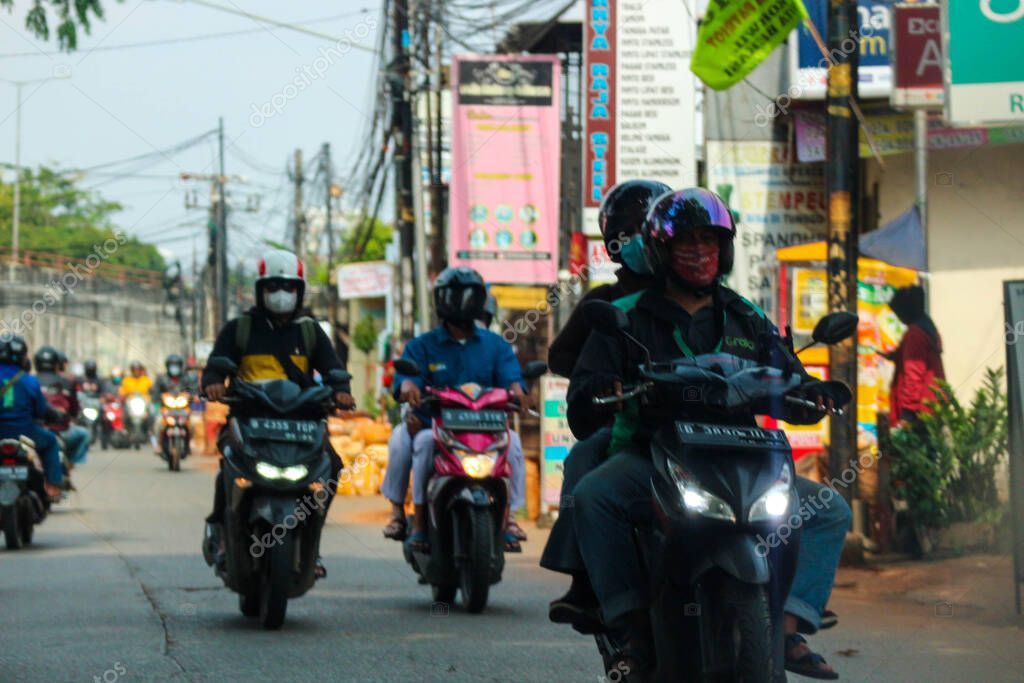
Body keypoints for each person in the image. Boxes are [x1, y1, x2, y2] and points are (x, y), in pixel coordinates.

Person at [567, 188, 846, 681]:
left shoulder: (748, 318)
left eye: (710, 240)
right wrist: (601, 389)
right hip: (655, 454)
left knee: (829, 510)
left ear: (725, 249)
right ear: (661, 250)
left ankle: (786, 627)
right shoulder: (627, 316)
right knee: (593, 497)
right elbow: (583, 402)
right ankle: (630, 627)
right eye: (686, 241)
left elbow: (791, 384)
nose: (699, 251)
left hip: (747, 461)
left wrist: (813, 394)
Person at [542, 179, 669, 623]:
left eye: (647, 229)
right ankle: (582, 578)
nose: (640, 240)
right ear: (614, 244)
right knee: (584, 459)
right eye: (628, 232)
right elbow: (560, 356)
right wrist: (600, 380)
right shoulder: (606, 301)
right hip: (628, 424)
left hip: (696, 425)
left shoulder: (712, 300)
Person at [201, 249, 353, 571]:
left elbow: (334, 370)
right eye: (272, 287)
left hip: (302, 425)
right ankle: (223, 535)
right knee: (228, 462)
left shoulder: (310, 332)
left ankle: (312, 543)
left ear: (299, 291)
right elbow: (215, 366)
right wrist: (213, 383)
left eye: (288, 287)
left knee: (332, 466)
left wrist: (341, 392)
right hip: (249, 422)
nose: (281, 294)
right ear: (260, 290)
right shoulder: (239, 329)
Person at [380, 266, 530, 552]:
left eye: (468, 295)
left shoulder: (496, 346)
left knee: (514, 444)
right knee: (421, 443)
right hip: (434, 427)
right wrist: (409, 388)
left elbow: (513, 380)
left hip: (486, 430)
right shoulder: (422, 346)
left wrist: (520, 394)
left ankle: (510, 518)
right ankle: (418, 521)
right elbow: (407, 380)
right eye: (454, 295)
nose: (461, 301)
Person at [0, 335, 65, 499]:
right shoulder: (30, 380)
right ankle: (52, 487)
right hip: (25, 433)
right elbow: (40, 411)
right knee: (51, 442)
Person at [887, 285, 945, 427]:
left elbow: (914, 374)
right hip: (932, 405)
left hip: (919, 411)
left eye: (899, 313)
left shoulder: (915, 334)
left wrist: (907, 413)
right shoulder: (927, 327)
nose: (899, 318)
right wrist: (897, 356)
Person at [34, 346, 91, 466]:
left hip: (33, 429)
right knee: (85, 434)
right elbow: (74, 409)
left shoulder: (29, 381)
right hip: (59, 430)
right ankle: (70, 465)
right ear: (57, 364)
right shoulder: (68, 382)